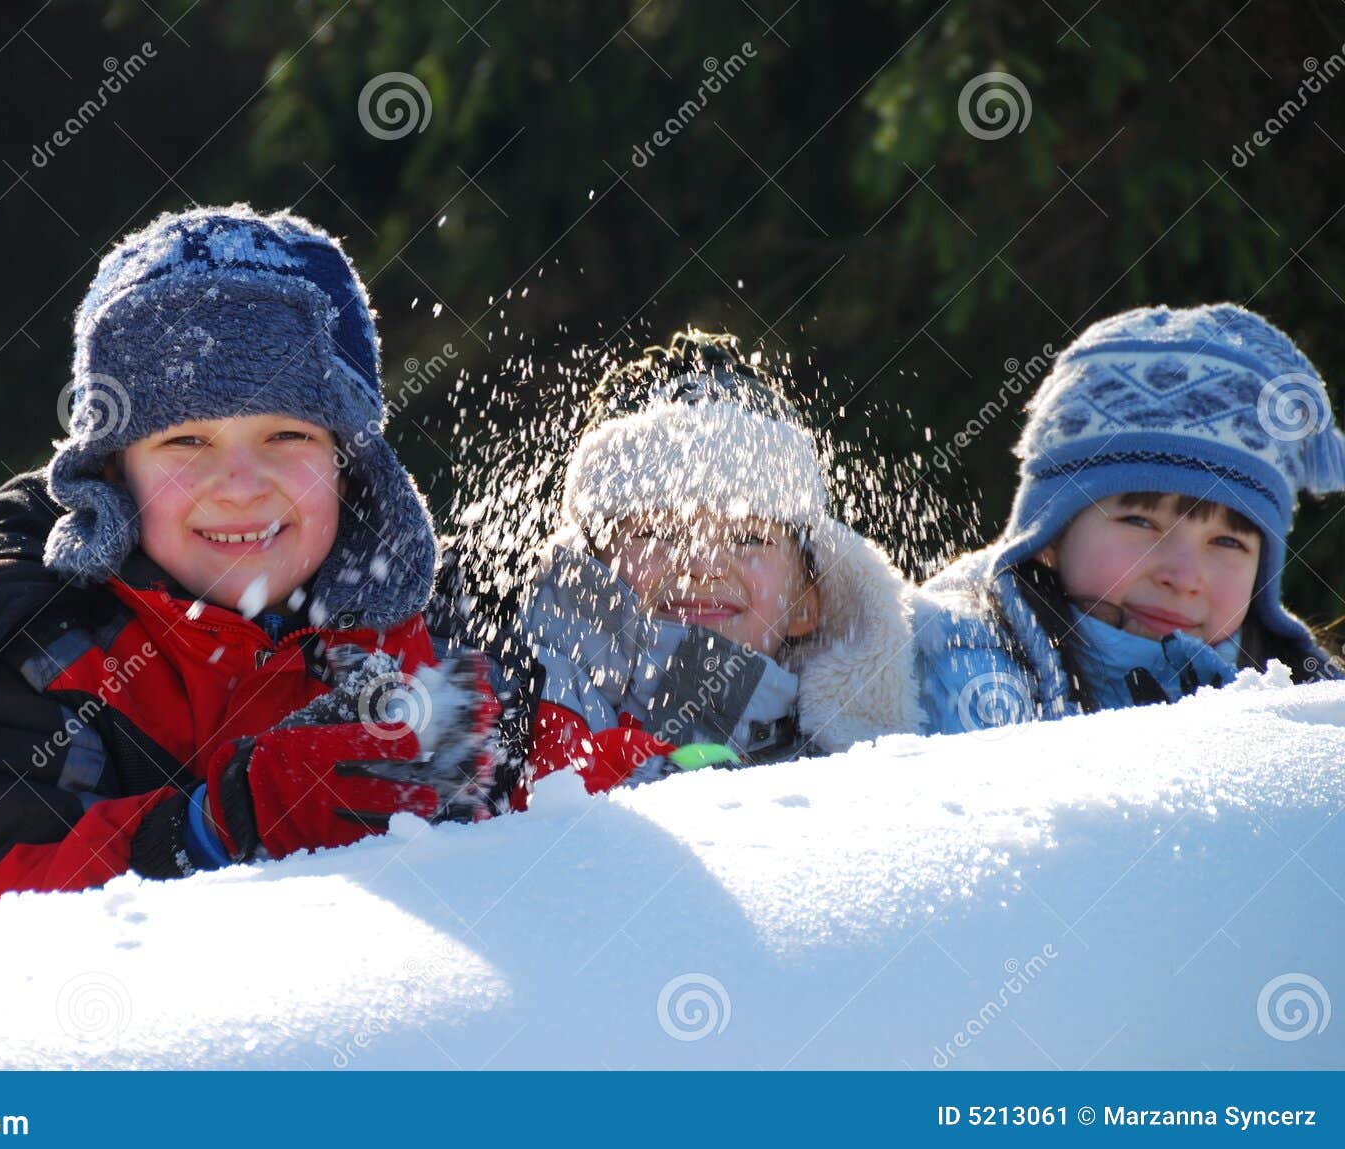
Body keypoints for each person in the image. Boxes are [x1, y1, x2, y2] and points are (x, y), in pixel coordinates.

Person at [0, 204, 497, 908]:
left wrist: (531, 729)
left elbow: (579, 809)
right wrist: (212, 832)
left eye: (287, 435)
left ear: (348, 467)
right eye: (185, 442)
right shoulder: (22, 646)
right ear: (112, 475)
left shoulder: (428, 623)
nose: (239, 486)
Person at [513, 331, 924, 799]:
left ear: (810, 601)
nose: (702, 565)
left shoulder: (859, 776)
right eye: (657, 534)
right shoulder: (514, 708)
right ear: (590, 565)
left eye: (749, 537)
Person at [915, 303, 1345, 733]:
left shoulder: (1308, 705)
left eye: (1228, 542)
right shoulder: (956, 657)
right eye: (1141, 522)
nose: (1182, 576)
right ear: (1050, 533)